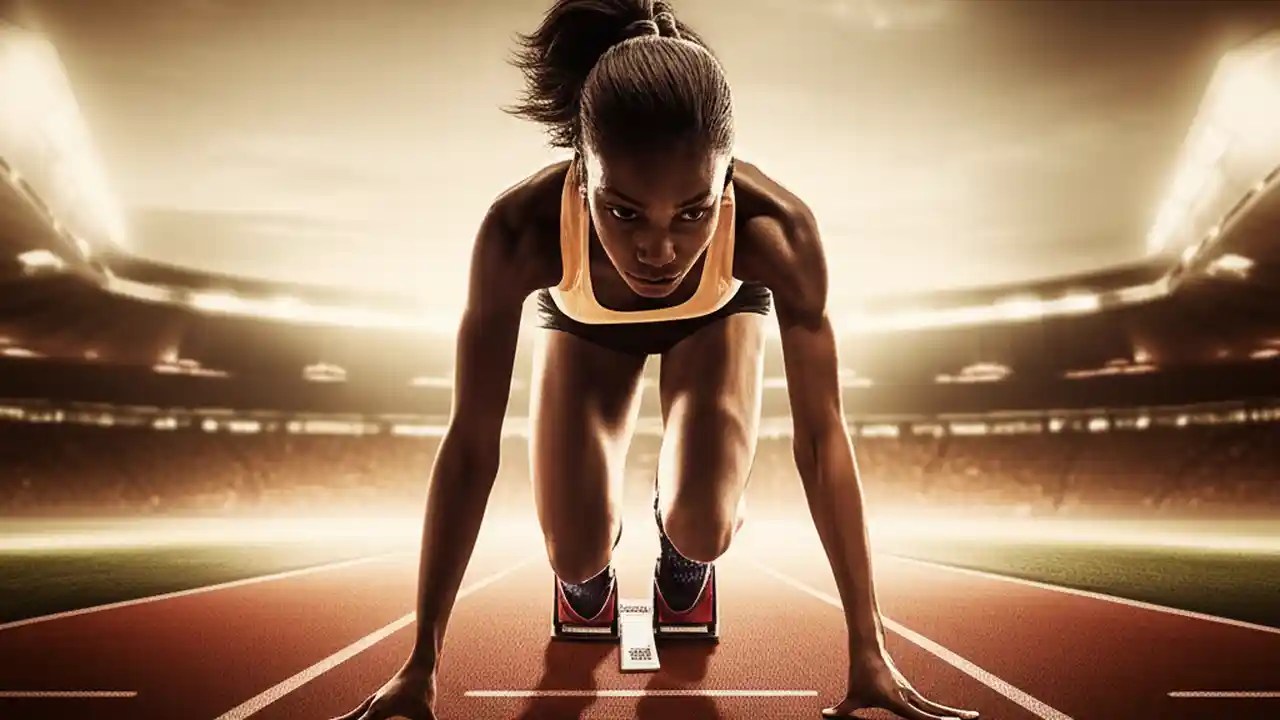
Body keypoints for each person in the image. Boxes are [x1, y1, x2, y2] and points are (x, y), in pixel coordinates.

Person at [334, 1, 979, 719]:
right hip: (586, 328)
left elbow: (823, 437)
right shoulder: (519, 232)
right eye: (624, 211)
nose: (661, 251)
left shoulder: (777, 233)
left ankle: (684, 562)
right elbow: (469, 447)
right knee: (572, 553)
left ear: (727, 177)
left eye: (695, 213)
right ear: (580, 172)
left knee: (700, 519)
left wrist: (869, 649)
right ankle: (587, 584)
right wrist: (421, 661)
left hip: (716, 319)